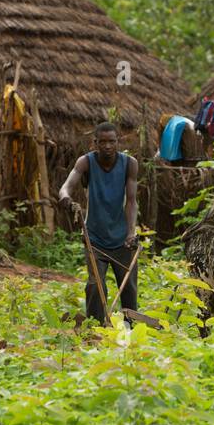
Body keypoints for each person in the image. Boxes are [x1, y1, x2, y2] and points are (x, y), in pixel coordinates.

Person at [58, 122, 139, 324]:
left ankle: (131, 330)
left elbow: (131, 201)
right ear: (95, 143)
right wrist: (66, 198)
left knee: (128, 286)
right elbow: (65, 187)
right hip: (95, 239)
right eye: (102, 142)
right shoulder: (86, 162)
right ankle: (95, 330)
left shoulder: (130, 163)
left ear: (118, 142)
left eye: (112, 141)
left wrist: (131, 233)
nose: (107, 146)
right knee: (95, 286)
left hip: (123, 239)